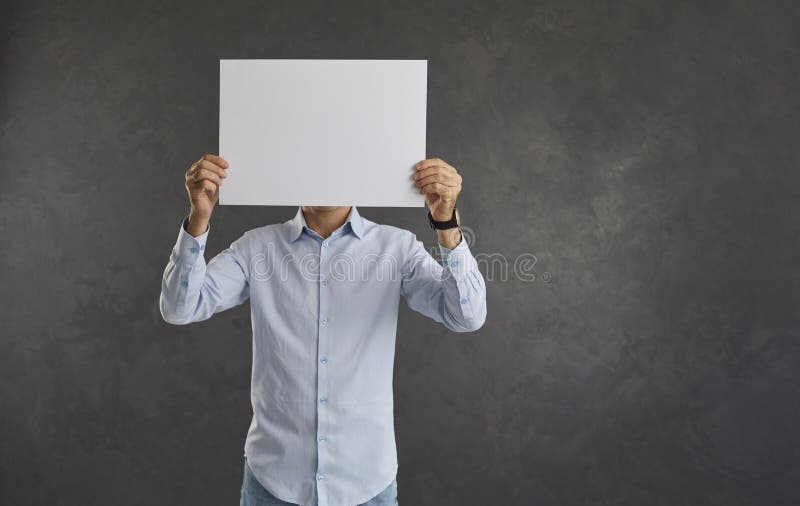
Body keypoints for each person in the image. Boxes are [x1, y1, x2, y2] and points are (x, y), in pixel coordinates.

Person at [159, 154, 487, 506]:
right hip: (273, 484)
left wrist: (446, 223)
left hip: (367, 485)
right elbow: (180, 308)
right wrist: (199, 218)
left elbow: (466, 315)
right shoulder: (257, 247)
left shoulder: (397, 248)